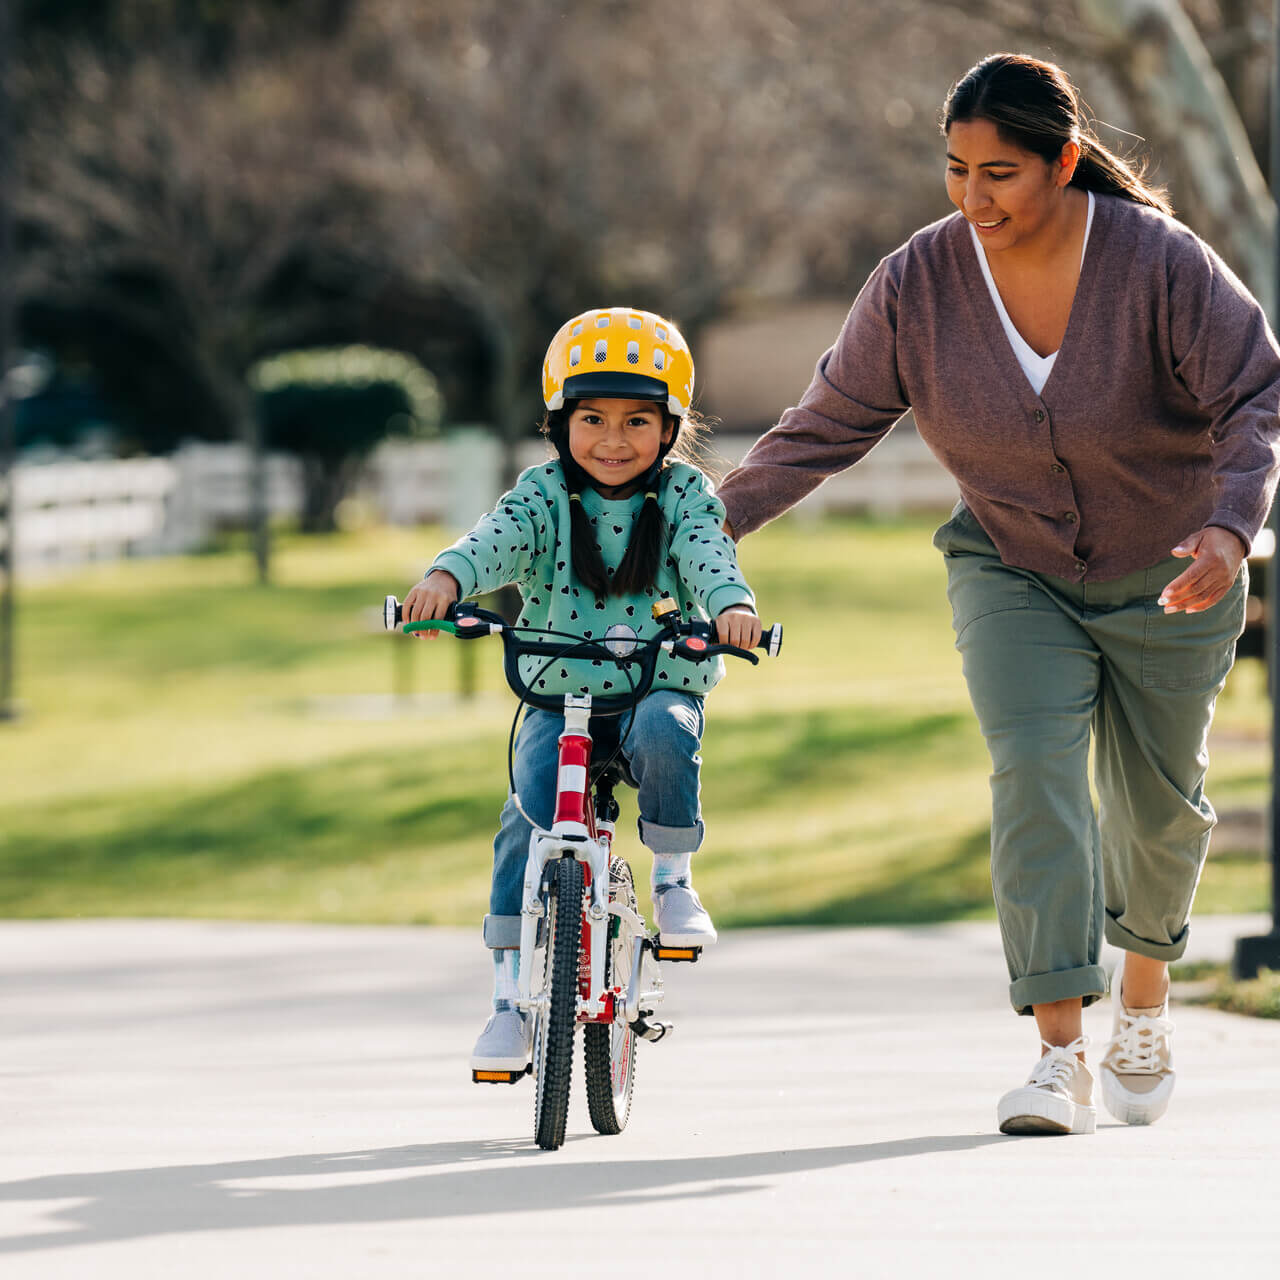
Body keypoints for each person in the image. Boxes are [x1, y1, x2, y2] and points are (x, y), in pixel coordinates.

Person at [714, 53, 1280, 1135]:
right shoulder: (917, 281)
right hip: (1010, 563)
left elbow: (1254, 394)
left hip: (1173, 569)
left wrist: (1228, 524)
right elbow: (825, 423)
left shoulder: (1157, 263)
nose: (973, 197)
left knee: (1159, 809)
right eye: (955, 170)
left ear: (1064, 162)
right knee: (1033, 777)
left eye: (1000, 173)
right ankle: (1056, 1052)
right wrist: (701, 522)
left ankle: (1145, 1004)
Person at [403, 307, 761, 1074]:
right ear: (559, 422)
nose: (612, 439)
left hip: (651, 683)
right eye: (591, 417)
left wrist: (732, 608)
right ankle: (507, 1006)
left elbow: (707, 556)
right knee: (525, 818)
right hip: (555, 690)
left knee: (669, 730)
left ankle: (672, 883)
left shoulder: (686, 498)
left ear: (670, 428)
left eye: (637, 420)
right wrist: (445, 578)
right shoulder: (541, 495)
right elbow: (492, 540)